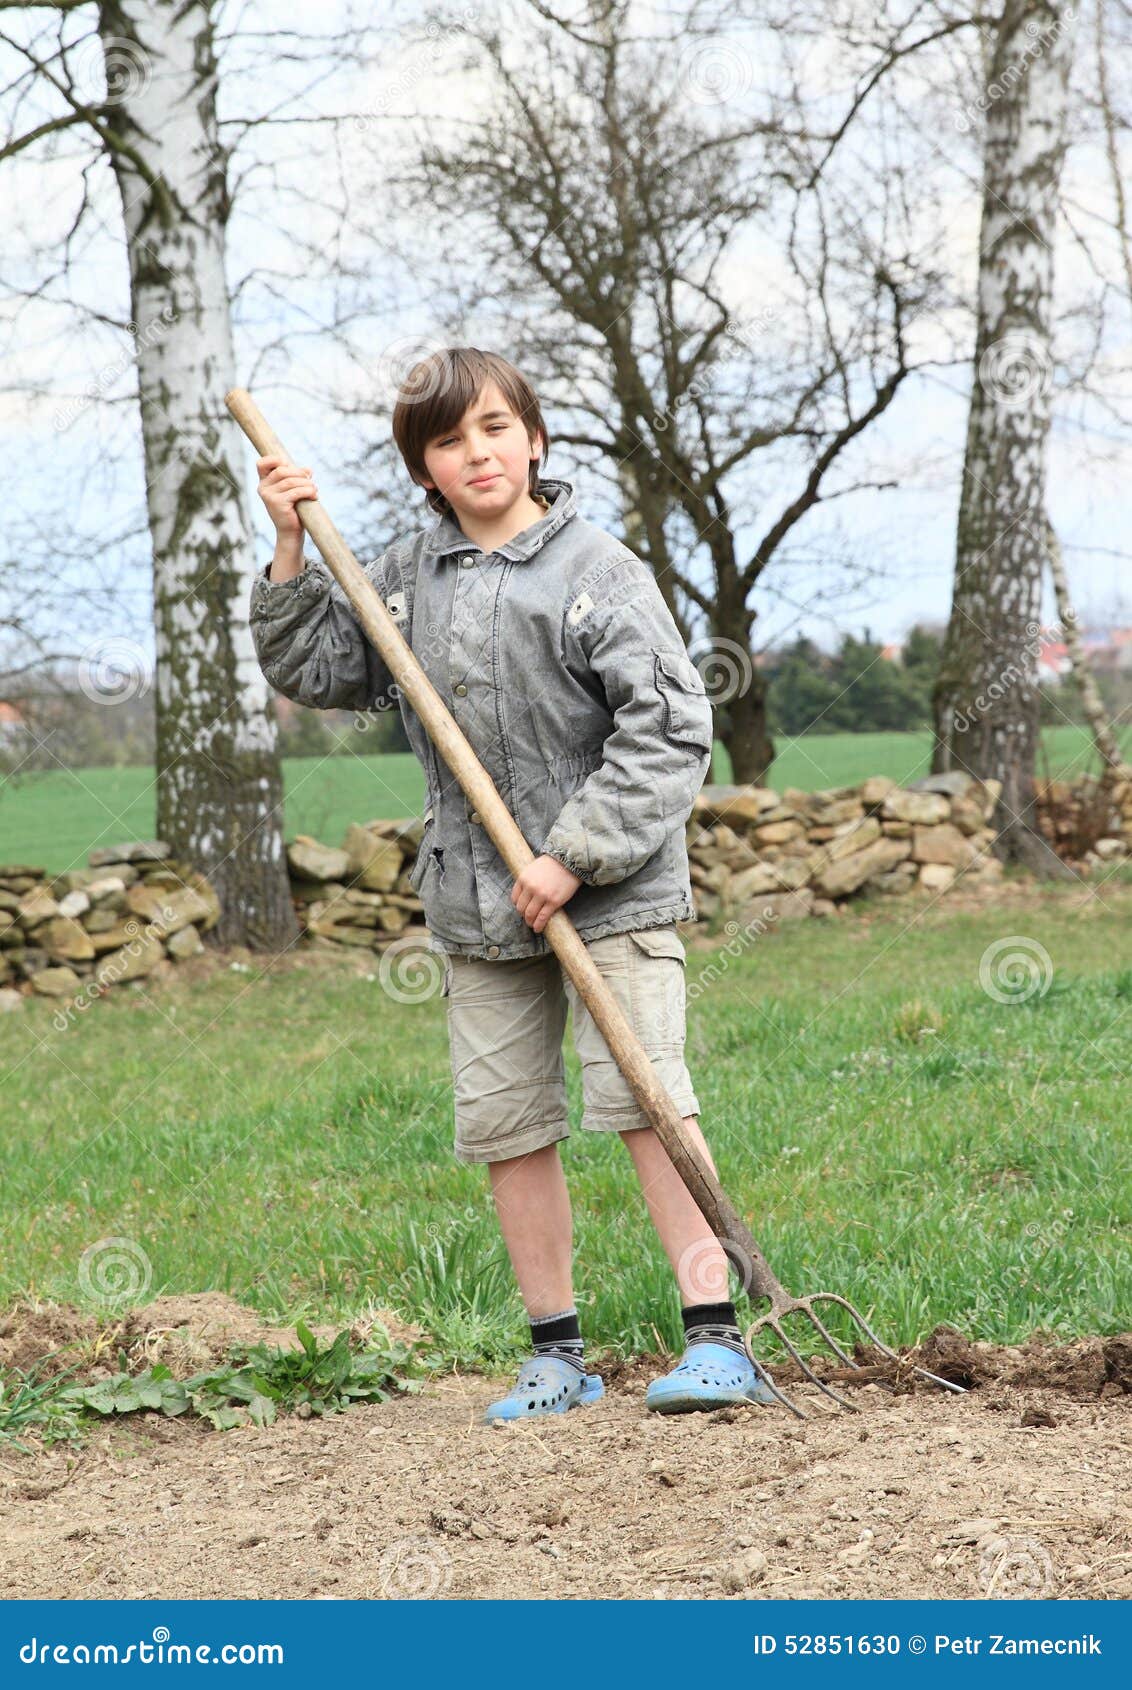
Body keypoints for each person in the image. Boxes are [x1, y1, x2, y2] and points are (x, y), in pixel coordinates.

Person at [248, 346, 774, 1422]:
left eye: (493, 427)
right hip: (475, 902)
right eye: (447, 440)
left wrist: (570, 854)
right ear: (423, 469)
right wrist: (292, 545)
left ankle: (718, 1339)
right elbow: (318, 672)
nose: (475, 452)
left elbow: (670, 730)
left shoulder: (597, 569)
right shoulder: (397, 578)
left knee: (643, 1102)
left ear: (532, 438)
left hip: (610, 893)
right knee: (507, 1123)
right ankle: (558, 1354)